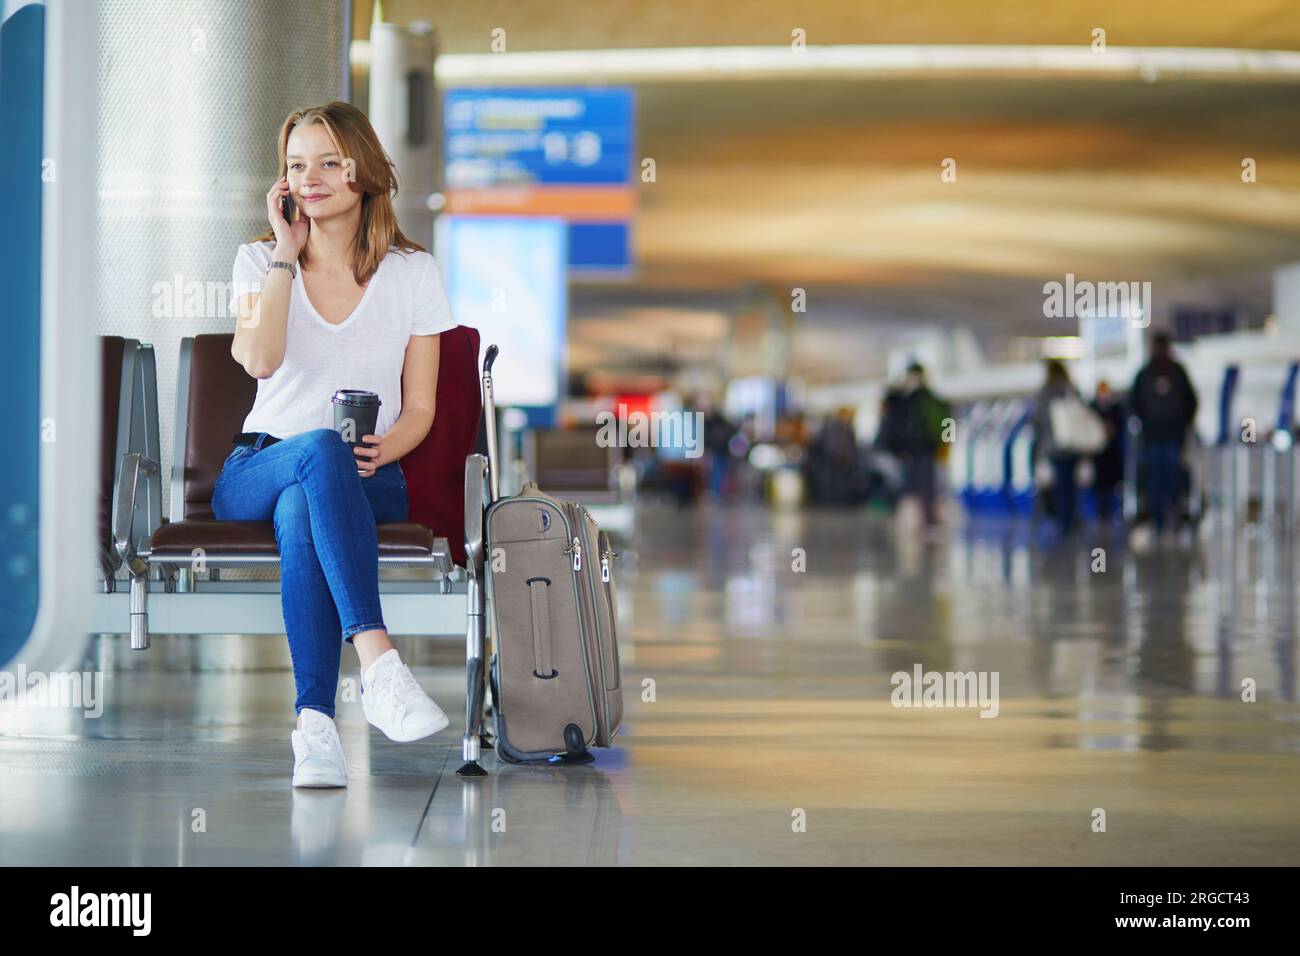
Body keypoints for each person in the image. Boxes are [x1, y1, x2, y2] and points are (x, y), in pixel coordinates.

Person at [215, 102, 455, 788]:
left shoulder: (412, 272)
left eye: (328, 162)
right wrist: (285, 262)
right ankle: (379, 664)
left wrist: (388, 449)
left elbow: (422, 407)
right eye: (296, 165)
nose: (310, 178)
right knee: (311, 456)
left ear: (364, 172)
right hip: (258, 463)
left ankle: (316, 730)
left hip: (365, 474)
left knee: (303, 509)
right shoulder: (257, 259)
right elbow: (259, 362)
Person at [1130, 331, 1199, 537]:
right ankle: (1158, 519)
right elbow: (1134, 403)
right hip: (1152, 436)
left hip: (1171, 436)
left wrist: (1182, 423)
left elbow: (1191, 401)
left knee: (1172, 477)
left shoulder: (1177, 372)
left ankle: (1172, 516)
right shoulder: (1145, 373)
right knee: (1155, 478)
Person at [1033, 359, 1084, 538]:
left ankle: (1062, 522)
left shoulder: (1045, 393)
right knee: (1071, 485)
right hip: (1073, 445)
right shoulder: (1071, 390)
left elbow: (1038, 421)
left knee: (1058, 486)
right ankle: (1072, 520)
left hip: (1053, 447)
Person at [896, 363, 950, 526]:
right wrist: (947, 443)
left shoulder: (914, 399)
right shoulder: (933, 398)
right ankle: (929, 517)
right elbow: (948, 420)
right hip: (931, 448)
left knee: (921, 484)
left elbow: (905, 427)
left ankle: (925, 518)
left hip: (919, 449)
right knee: (928, 484)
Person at [1090, 380, 1126, 524]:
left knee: (1111, 487)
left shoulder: (1116, 408)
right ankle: (1101, 513)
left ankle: (1111, 512)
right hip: (1098, 454)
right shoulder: (1093, 407)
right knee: (1099, 488)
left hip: (1111, 455)